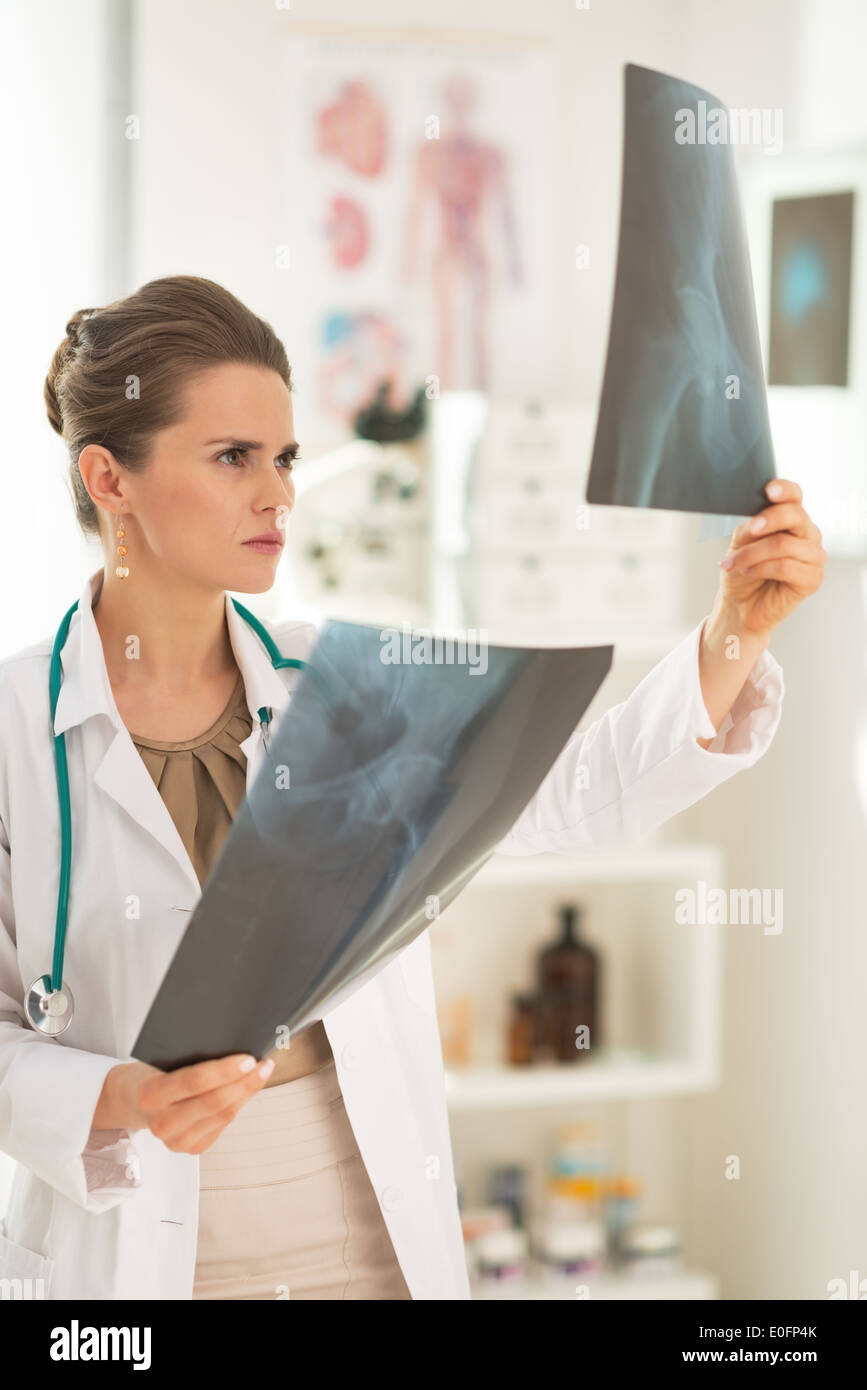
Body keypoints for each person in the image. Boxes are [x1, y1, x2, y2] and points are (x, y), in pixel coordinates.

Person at [0, 276, 824, 1300]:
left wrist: (736, 626)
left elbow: (570, 797)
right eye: (233, 458)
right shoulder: (14, 733)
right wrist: (119, 1095)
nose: (280, 494)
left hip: (362, 1232)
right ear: (109, 479)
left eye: (287, 457)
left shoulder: (340, 684)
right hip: (128, 1252)